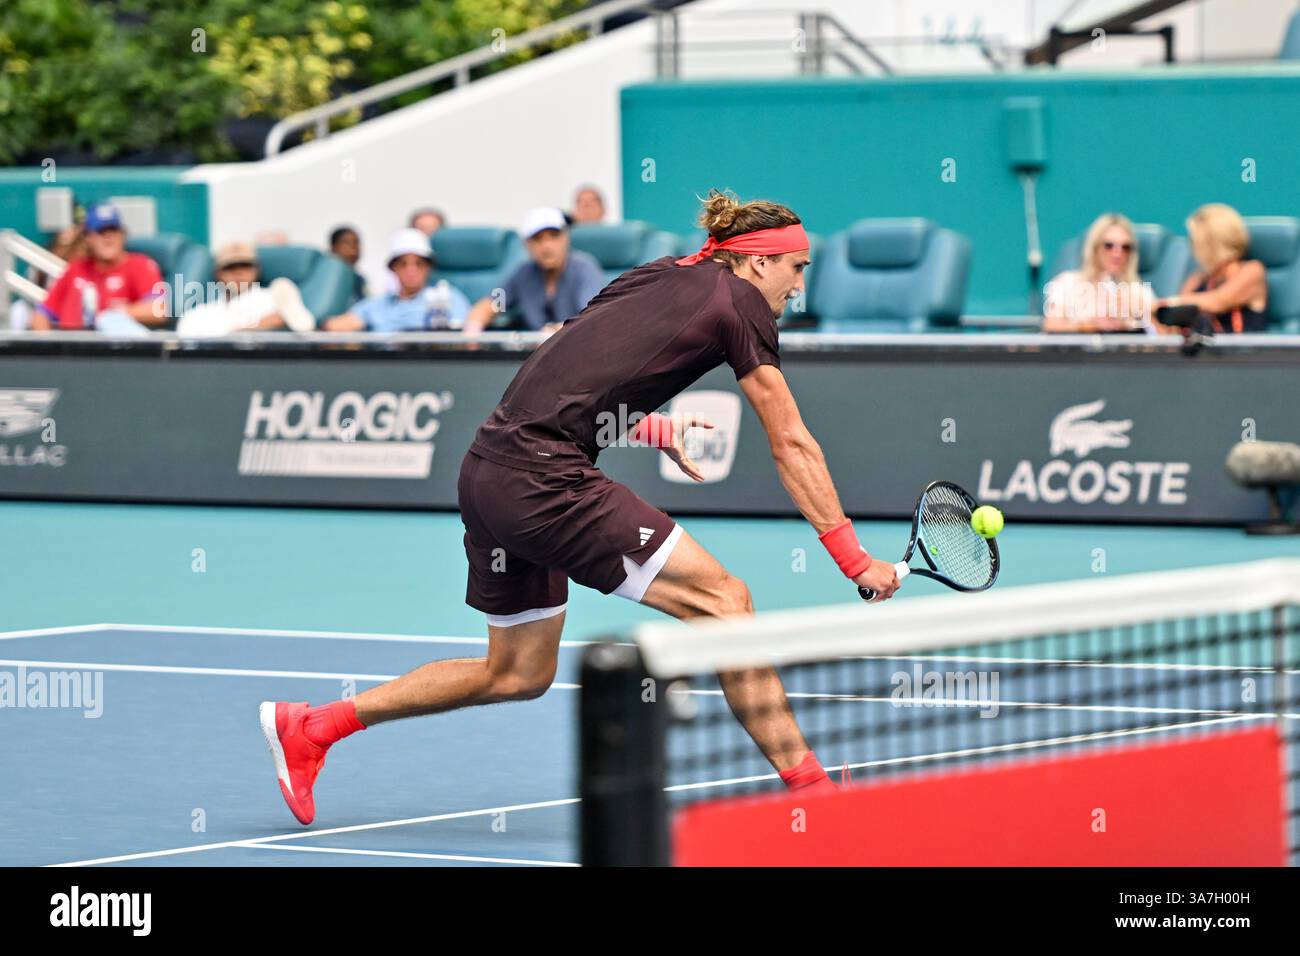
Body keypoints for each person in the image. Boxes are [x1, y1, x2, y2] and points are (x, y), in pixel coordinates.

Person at [260, 189, 900, 825]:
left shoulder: (660, 271)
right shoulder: (741, 303)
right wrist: (853, 560)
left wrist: (650, 428)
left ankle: (315, 727)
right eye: (797, 268)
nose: (798, 286)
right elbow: (790, 441)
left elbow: (573, 357)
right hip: (544, 481)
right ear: (760, 262)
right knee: (725, 603)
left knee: (515, 673)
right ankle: (817, 804)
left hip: (487, 471)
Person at [461, 207, 605, 335]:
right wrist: (474, 327)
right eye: (538, 239)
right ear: (527, 245)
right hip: (533, 356)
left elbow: (591, 318)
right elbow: (492, 304)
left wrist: (558, 330)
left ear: (566, 238)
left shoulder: (585, 268)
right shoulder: (523, 274)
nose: (547, 246)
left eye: (554, 236)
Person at [30, 203, 166, 334]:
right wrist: (49, 347)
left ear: (122, 234)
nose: (108, 237)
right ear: (88, 237)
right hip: (71, 347)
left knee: (107, 321)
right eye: (101, 231)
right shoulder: (76, 268)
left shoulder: (139, 265)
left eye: (113, 230)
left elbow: (159, 309)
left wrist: (116, 313)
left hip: (115, 349)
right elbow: (42, 314)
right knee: (19, 312)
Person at [321, 228, 470, 332]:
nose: (411, 270)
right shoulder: (378, 305)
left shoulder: (448, 298)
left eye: (419, 264)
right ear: (393, 268)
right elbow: (337, 326)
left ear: (429, 267)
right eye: (403, 264)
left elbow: (464, 336)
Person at [1155, 203, 1268, 334]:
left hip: (1248, 352)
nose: (1191, 247)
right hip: (1204, 352)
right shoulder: (1197, 279)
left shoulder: (1252, 270)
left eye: (1194, 240)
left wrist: (1166, 302)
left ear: (1212, 244)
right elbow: (1177, 317)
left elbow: (1218, 301)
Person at [1042, 213, 1154, 333]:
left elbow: (1162, 334)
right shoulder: (1067, 283)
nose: (1117, 254)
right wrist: (1091, 325)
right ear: (1095, 248)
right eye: (1109, 245)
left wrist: (1138, 314)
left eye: (1125, 247)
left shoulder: (1138, 290)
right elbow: (1051, 325)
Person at [175, 242, 316, 337]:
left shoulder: (275, 297)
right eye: (230, 267)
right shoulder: (199, 314)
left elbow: (302, 324)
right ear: (218, 273)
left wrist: (242, 332)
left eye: (245, 266)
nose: (238, 273)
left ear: (257, 270)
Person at [328, 225, 367, 304]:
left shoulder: (359, 280)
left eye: (356, 243)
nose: (353, 248)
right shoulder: (326, 277)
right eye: (347, 243)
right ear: (333, 247)